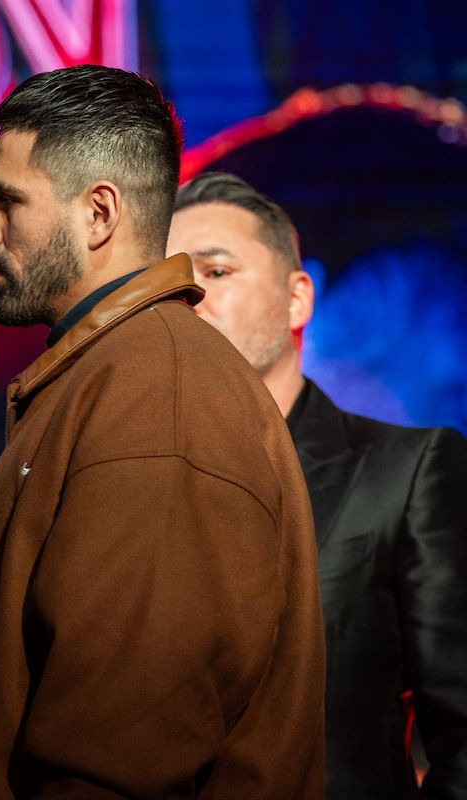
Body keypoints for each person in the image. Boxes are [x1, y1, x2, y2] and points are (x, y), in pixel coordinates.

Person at [0, 65, 326, 798]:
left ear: (99, 214)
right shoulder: (116, 374)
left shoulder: (155, 400)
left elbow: (121, 759)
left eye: (6, 201)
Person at [170, 171, 467, 799]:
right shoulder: (127, 482)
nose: (191, 294)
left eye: (217, 272)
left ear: (297, 298)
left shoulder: (405, 471)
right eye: (170, 282)